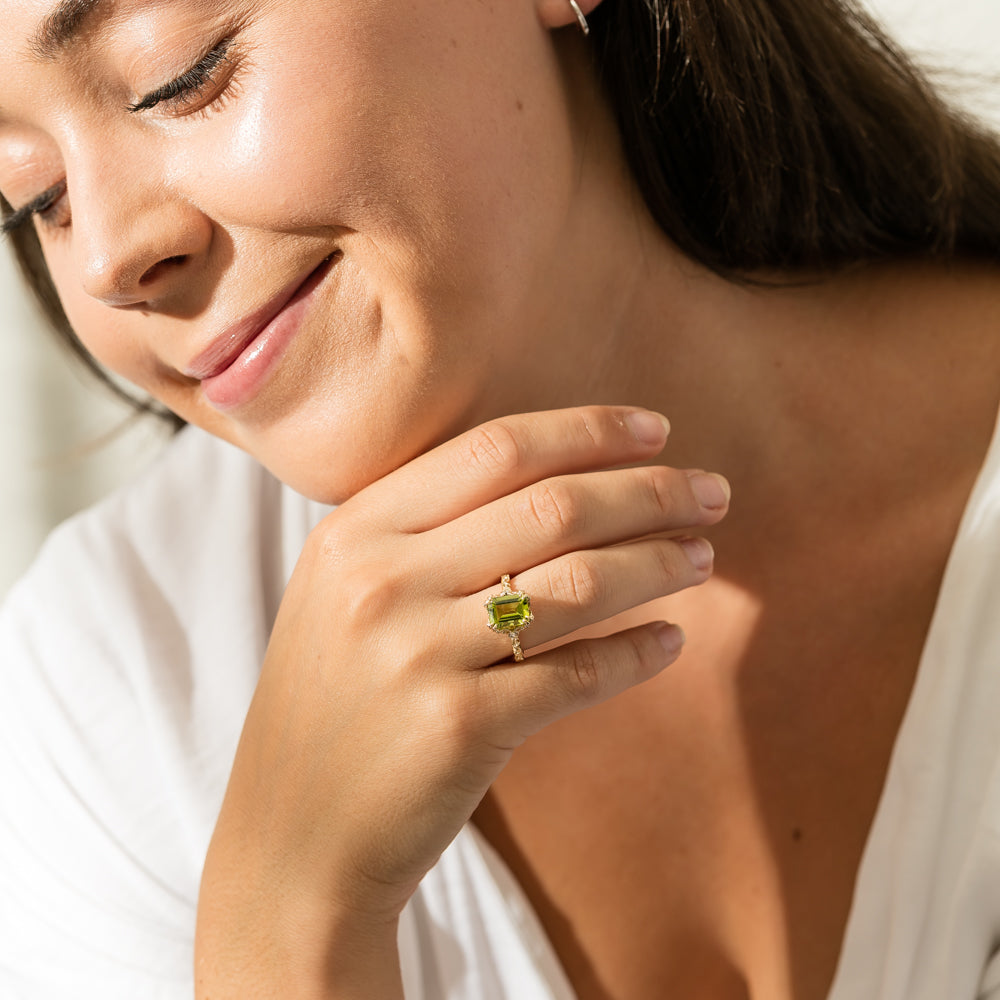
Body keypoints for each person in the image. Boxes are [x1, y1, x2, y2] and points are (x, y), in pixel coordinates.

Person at [2, 0, 1000, 997]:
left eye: (185, 72)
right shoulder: (111, 682)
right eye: (35, 196)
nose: (106, 260)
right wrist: (282, 919)